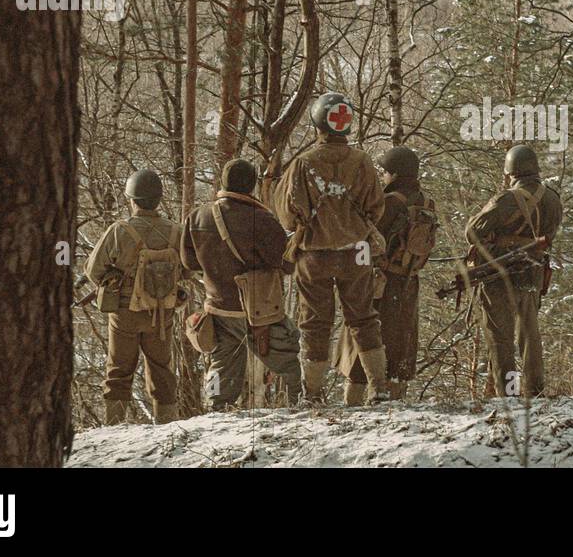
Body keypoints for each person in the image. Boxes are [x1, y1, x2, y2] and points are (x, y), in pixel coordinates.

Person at [274, 92, 389, 403]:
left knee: (314, 323)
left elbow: (287, 213)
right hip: (358, 252)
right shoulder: (363, 161)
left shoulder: (303, 164)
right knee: (364, 318)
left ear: (317, 123)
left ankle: (312, 394)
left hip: (314, 254)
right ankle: (379, 388)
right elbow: (376, 207)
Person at [181, 158, 303, 409]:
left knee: (221, 362)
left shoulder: (197, 216)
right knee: (286, 360)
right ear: (251, 186)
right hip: (262, 308)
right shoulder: (262, 218)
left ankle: (214, 408)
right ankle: (299, 405)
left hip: (219, 306)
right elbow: (284, 263)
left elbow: (189, 262)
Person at [334, 146, 435, 404]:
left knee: (365, 340)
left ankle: (355, 405)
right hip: (408, 282)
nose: (384, 176)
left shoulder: (388, 203)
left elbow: (363, 241)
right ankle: (394, 401)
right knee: (401, 342)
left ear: (395, 174)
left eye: (386, 172)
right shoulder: (427, 203)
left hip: (380, 282)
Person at [83, 169, 181, 425]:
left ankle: (113, 432)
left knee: (118, 372)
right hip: (161, 314)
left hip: (125, 313)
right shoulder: (175, 231)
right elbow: (188, 270)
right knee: (162, 372)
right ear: (158, 199)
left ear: (132, 199)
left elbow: (93, 270)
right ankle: (167, 428)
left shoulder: (119, 230)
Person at [464, 144, 562, 398]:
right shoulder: (553, 198)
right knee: (530, 335)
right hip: (533, 274)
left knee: (501, 338)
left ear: (511, 171)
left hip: (501, 275)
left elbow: (471, 232)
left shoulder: (506, 199)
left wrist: (498, 238)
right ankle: (535, 391)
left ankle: (507, 394)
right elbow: (548, 236)